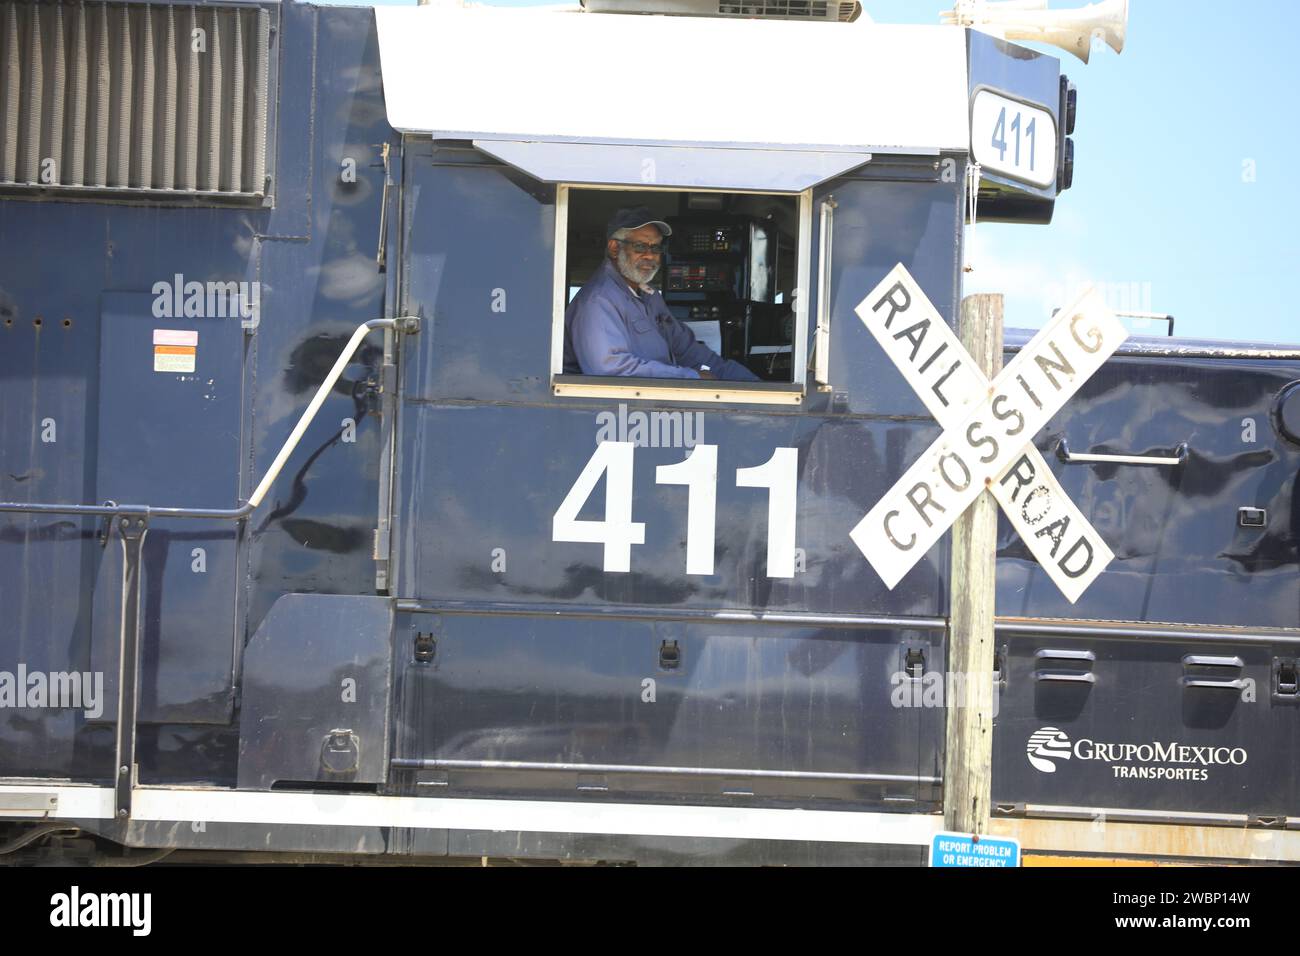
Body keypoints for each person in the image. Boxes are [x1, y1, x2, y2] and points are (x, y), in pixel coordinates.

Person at [563, 207, 760, 381]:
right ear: (615, 248)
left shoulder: (649, 296)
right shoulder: (598, 301)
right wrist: (691, 377)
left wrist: (750, 385)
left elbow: (689, 352)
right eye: (640, 246)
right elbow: (610, 370)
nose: (650, 255)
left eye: (656, 247)